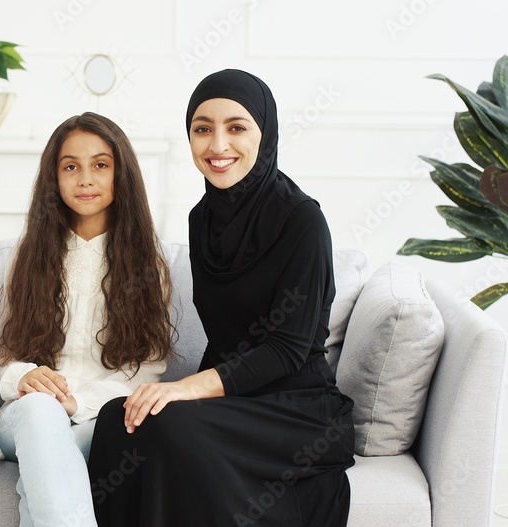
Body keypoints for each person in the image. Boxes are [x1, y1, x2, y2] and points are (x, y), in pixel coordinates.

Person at [88, 69, 356, 526]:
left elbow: (286, 348)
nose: (217, 146)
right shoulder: (203, 219)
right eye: (202, 129)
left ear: (264, 132)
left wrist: (185, 390)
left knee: (171, 423)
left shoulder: (302, 220)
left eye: (236, 127)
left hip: (300, 410)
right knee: (119, 420)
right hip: (235, 403)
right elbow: (225, 334)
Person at [0, 112, 173, 527]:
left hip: (100, 418)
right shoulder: (27, 255)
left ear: (120, 174)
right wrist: (23, 376)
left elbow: (147, 369)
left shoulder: (149, 265)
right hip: (25, 411)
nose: (85, 179)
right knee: (41, 414)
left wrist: (80, 404)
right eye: (71, 167)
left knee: (54, 457)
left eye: (100, 165)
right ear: (53, 179)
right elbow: (3, 353)